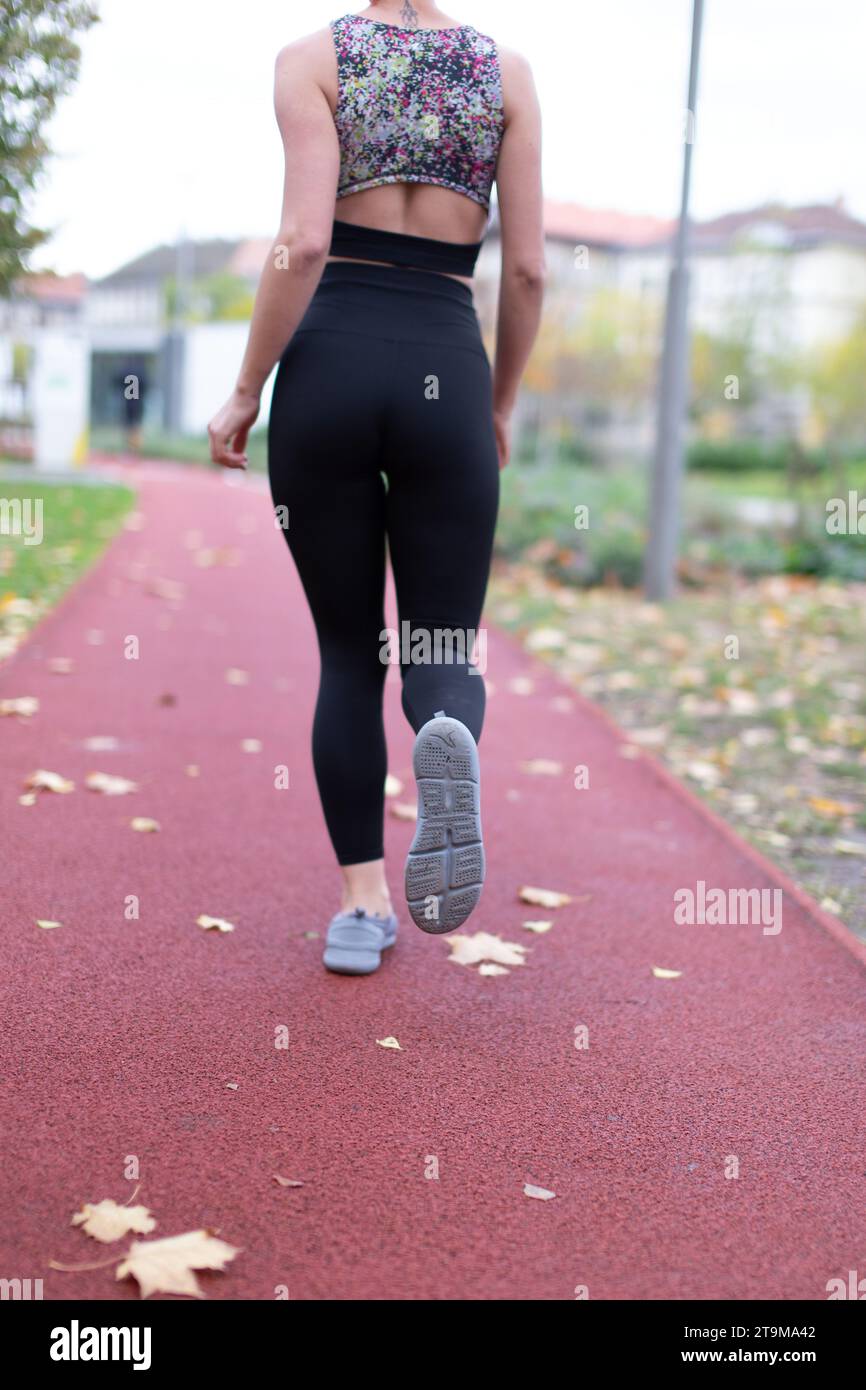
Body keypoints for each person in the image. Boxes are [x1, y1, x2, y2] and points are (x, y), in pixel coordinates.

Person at [208, 1, 544, 974]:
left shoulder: (311, 58)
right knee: (440, 642)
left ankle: (360, 907)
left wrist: (245, 389)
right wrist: (500, 400)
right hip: (445, 356)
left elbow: (301, 243)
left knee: (347, 655)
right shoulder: (505, 74)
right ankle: (442, 727)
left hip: (330, 367)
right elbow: (523, 270)